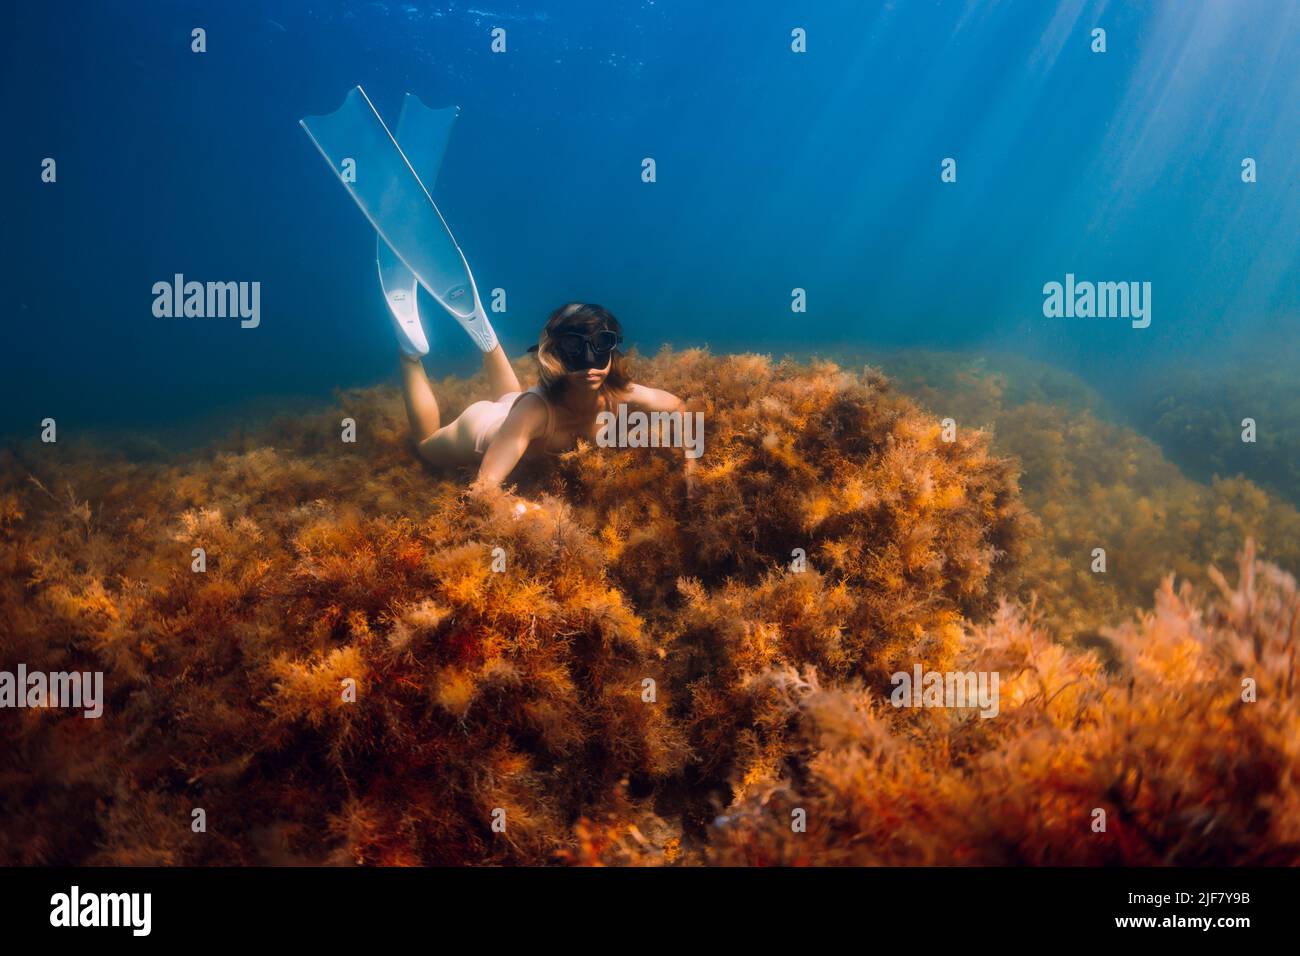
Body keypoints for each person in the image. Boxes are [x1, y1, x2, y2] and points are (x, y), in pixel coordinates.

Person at [398, 302, 695, 492]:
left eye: (601, 344)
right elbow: (484, 488)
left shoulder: (622, 393)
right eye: (572, 347)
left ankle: (487, 340)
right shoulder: (534, 413)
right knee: (425, 445)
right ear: (553, 355)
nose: (589, 362)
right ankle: (409, 354)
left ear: (612, 350)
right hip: (484, 427)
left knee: (511, 398)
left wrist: (689, 462)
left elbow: (679, 407)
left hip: (514, 410)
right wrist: (523, 511)